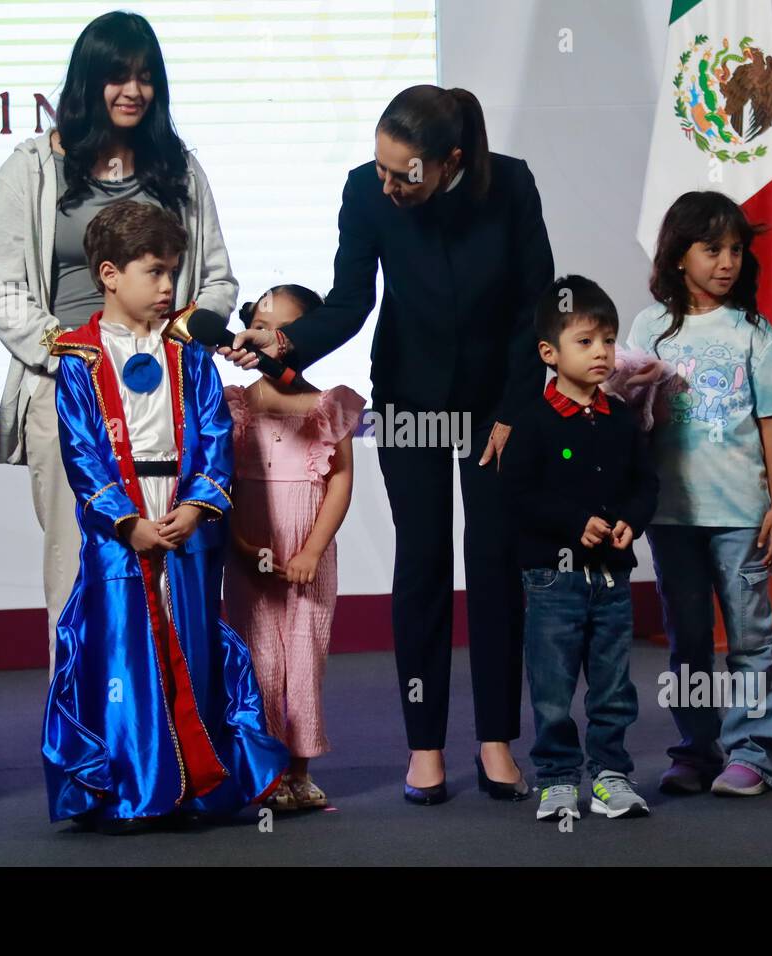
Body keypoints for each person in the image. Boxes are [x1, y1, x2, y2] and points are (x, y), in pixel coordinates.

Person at [220, 84, 554, 805]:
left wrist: (513, 411)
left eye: (404, 173)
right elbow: (350, 301)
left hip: (496, 404)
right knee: (424, 562)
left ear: (449, 162)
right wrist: (284, 341)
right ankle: (425, 747)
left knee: (494, 565)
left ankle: (496, 738)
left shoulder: (511, 185)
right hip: (409, 398)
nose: (386, 183)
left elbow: (538, 304)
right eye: (380, 166)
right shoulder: (365, 194)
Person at [0, 10, 236, 674]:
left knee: (174, 575)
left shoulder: (177, 166)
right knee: (80, 571)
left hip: (167, 396)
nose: (133, 90)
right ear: (87, 81)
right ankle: (90, 752)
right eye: (118, 76)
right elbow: (5, 291)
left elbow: (216, 281)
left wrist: (173, 342)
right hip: (69, 390)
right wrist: (75, 354)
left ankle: (175, 750)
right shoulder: (32, 167)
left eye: (146, 78)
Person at [41, 200, 286, 833]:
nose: (168, 286)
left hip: (185, 522)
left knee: (196, 645)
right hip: (122, 532)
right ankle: (134, 790)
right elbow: (82, 451)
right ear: (109, 274)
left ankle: (198, 788)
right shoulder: (80, 357)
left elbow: (211, 430)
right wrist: (127, 521)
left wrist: (195, 506)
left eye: (173, 271)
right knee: (124, 656)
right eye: (153, 271)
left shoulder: (189, 349)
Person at [626, 191, 772, 798]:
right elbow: (632, 417)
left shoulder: (754, 330)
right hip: (672, 514)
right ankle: (694, 751)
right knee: (688, 641)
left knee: (751, 636)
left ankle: (754, 752)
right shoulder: (649, 328)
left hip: (741, 515)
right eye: (712, 249)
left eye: (735, 250)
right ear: (679, 255)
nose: (727, 261)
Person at [500, 275, 658, 822]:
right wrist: (574, 524)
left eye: (609, 341)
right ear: (550, 353)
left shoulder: (619, 419)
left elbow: (645, 484)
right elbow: (517, 494)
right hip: (552, 579)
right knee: (552, 687)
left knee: (614, 686)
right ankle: (559, 778)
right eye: (586, 341)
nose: (602, 353)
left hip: (612, 578)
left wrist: (629, 523)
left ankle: (611, 775)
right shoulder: (533, 421)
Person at [222, 285, 366, 811]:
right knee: (257, 661)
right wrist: (238, 544)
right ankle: (265, 772)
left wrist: (312, 551)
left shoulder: (328, 408)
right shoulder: (235, 406)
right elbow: (221, 484)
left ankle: (300, 770)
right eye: (254, 328)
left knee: (304, 660)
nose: (260, 343)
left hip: (308, 557)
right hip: (249, 557)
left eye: (276, 332)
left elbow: (341, 481)